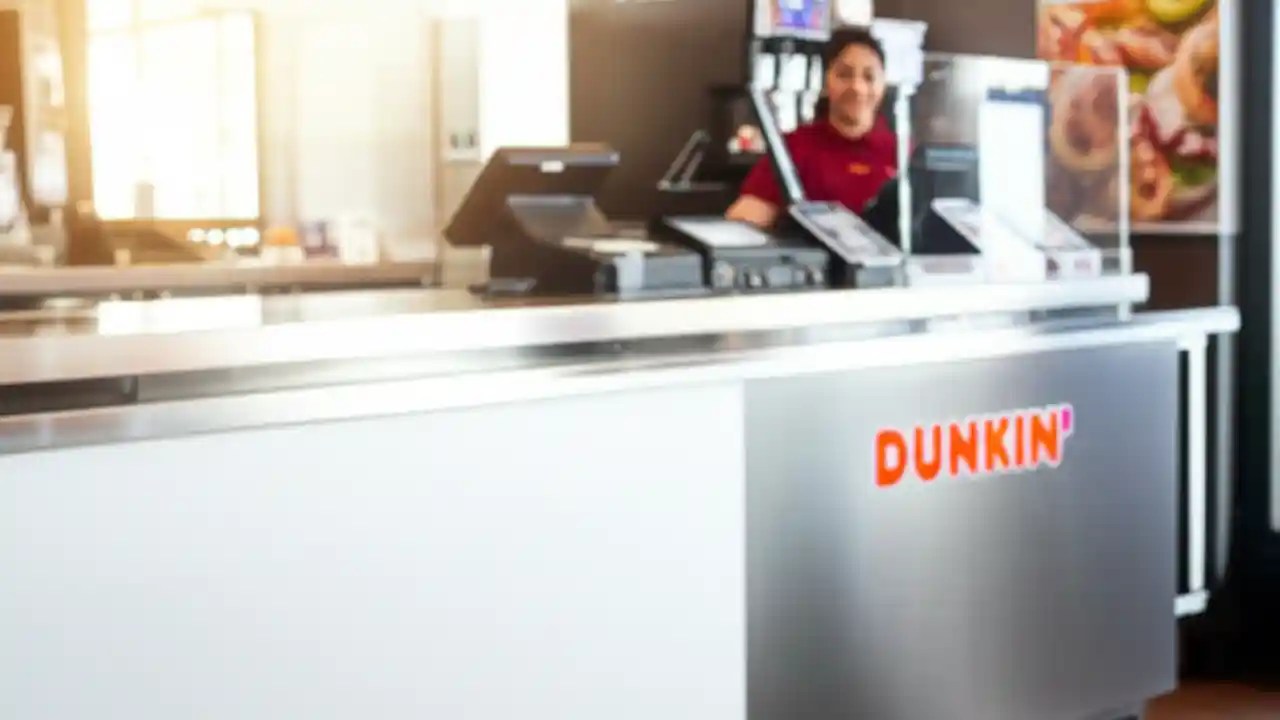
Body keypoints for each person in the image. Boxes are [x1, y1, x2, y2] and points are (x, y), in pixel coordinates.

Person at [726, 28, 897, 228]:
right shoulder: (794, 147)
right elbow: (744, 218)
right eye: (844, 75)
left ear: (884, 83)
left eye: (869, 77)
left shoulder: (903, 152)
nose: (857, 87)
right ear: (825, 80)